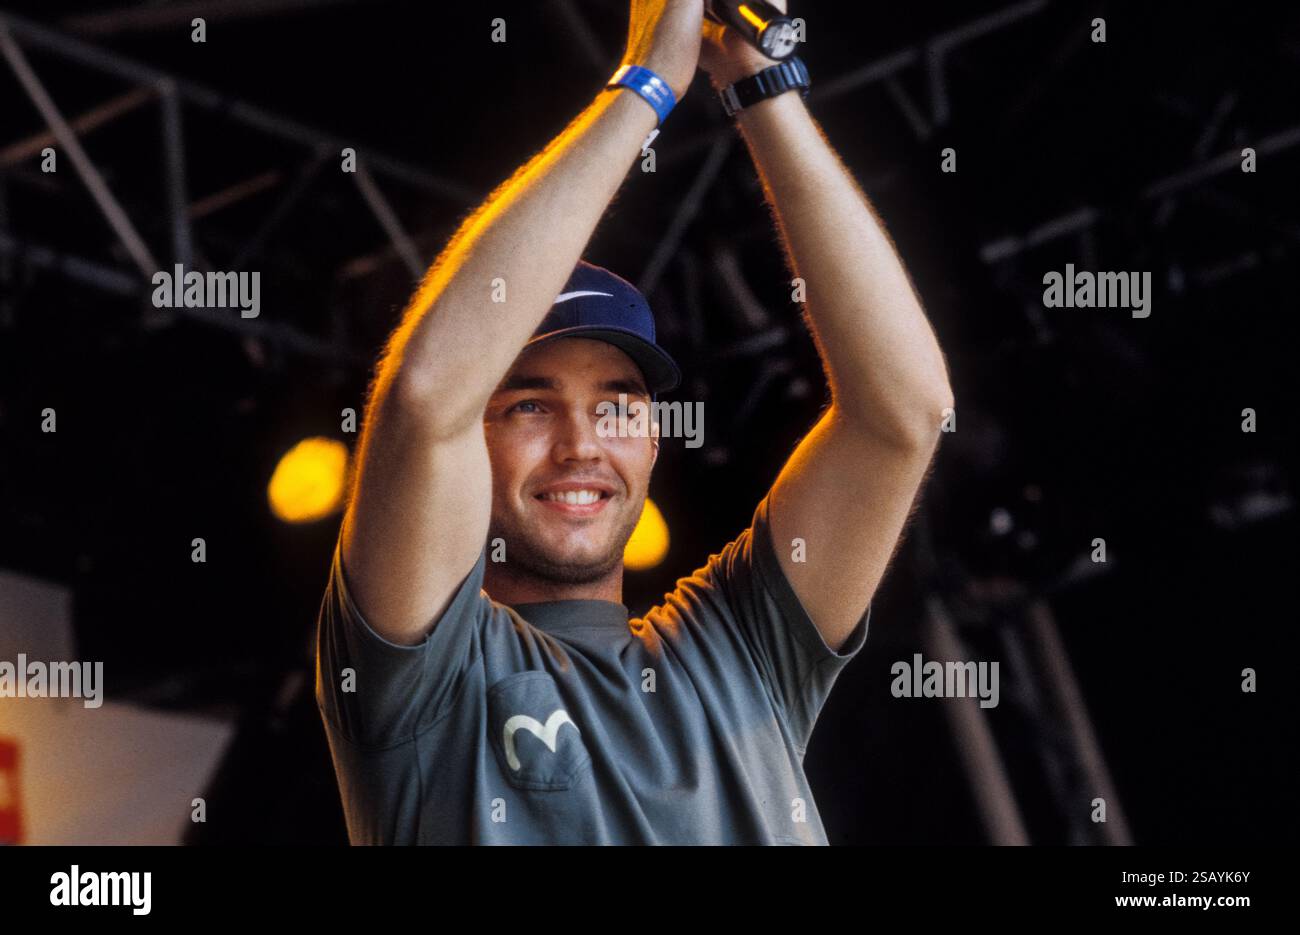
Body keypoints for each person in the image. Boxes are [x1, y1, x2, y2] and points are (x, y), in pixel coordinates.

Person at [315, 0, 952, 844]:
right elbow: (428, 396)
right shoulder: (428, 672)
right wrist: (645, 85)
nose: (582, 444)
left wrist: (764, 86)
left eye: (616, 406)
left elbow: (903, 415)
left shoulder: (740, 643)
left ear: (654, 438)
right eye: (531, 404)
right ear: (473, 441)